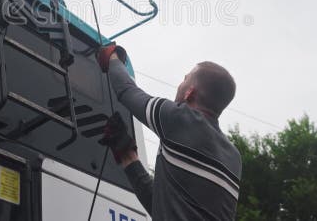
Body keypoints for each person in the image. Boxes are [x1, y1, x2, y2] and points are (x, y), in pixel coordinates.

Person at [97, 44, 242, 220]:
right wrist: (129, 158)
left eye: (185, 79)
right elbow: (160, 207)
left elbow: (126, 90)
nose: (180, 85)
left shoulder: (179, 119)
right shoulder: (234, 159)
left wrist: (113, 56)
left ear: (190, 92)